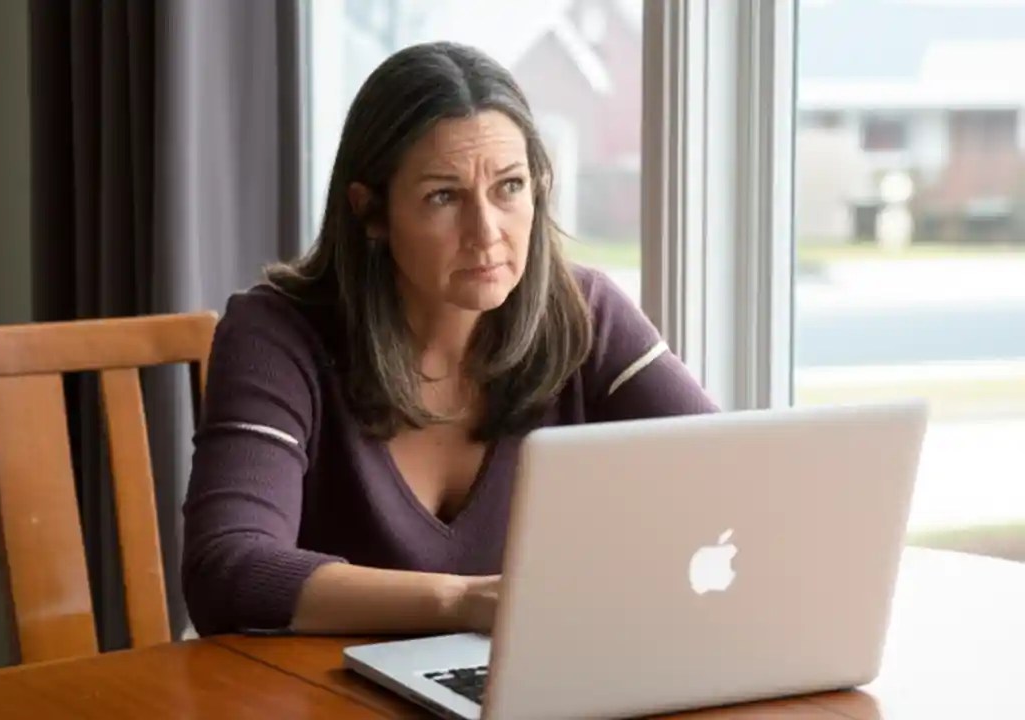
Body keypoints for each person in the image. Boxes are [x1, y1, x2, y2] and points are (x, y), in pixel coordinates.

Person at [181, 41, 716, 638]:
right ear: (371, 213)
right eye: (443, 196)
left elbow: (735, 478)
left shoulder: (586, 313)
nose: (486, 232)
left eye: (509, 187)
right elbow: (227, 570)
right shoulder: (276, 336)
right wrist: (461, 602)